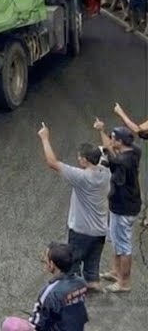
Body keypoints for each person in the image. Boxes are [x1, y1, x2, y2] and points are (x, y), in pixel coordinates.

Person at [38, 123, 110, 290]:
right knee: (92, 264)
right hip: (100, 230)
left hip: (81, 231)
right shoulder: (106, 171)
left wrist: (44, 138)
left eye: (79, 157)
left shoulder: (82, 177)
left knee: (73, 263)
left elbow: (52, 162)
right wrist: (102, 130)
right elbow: (108, 149)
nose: (78, 159)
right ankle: (93, 285)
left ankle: (75, 289)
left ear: (85, 160)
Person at [93, 118, 139, 292]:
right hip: (125, 205)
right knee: (116, 239)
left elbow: (111, 155)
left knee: (123, 246)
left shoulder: (122, 163)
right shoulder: (135, 151)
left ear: (120, 142)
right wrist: (102, 131)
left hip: (123, 208)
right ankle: (116, 272)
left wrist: (105, 159)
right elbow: (112, 150)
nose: (111, 140)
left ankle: (124, 282)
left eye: (113, 138)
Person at [30, 242, 89, 331]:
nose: (44, 261)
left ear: (52, 264)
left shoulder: (50, 293)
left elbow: (37, 324)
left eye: (45, 259)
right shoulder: (81, 283)